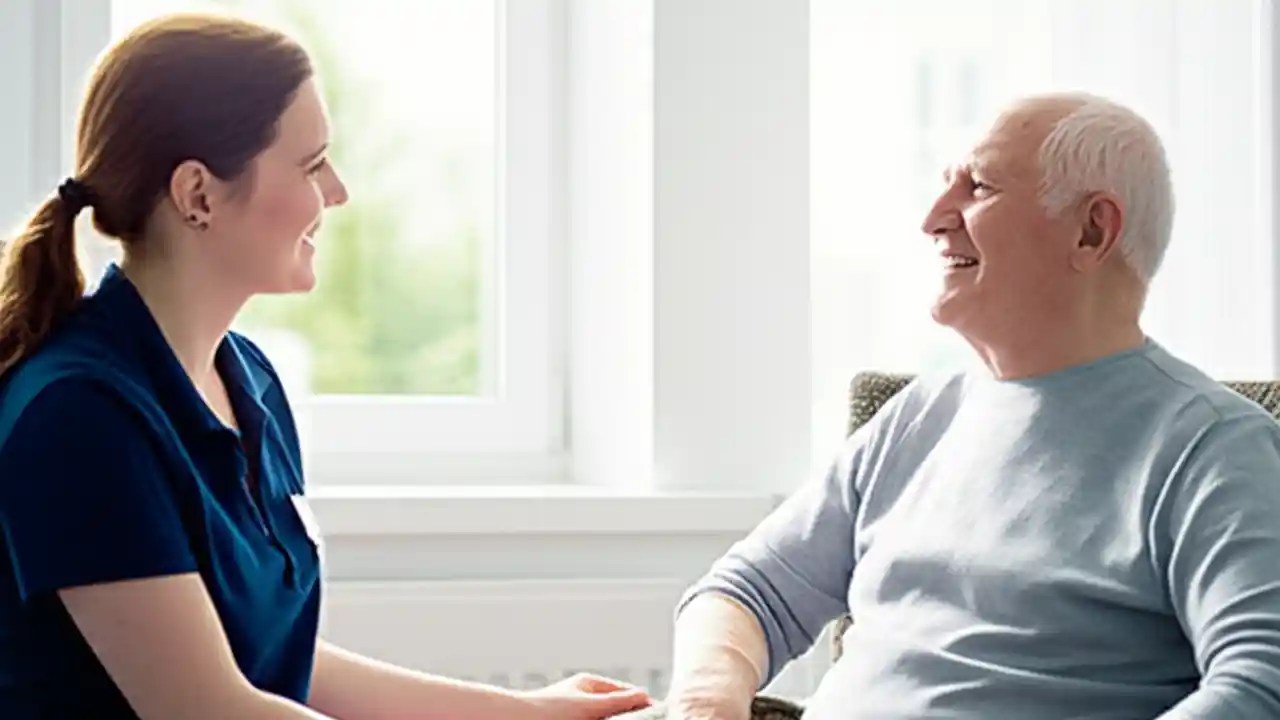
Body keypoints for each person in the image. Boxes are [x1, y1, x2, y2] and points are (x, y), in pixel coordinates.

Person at [0, 13, 649, 720]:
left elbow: (276, 661)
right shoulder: (77, 415)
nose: (337, 192)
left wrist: (522, 713)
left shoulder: (247, 380)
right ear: (198, 195)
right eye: (312, 165)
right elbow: (209, 707)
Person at [664, 94, 1280, 719]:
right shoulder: (918, 417)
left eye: (978, 187)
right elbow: (746, 592)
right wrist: (703, 703)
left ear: (1091, 230)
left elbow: (1261, 686)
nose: (932, 219)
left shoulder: (1217, 449)